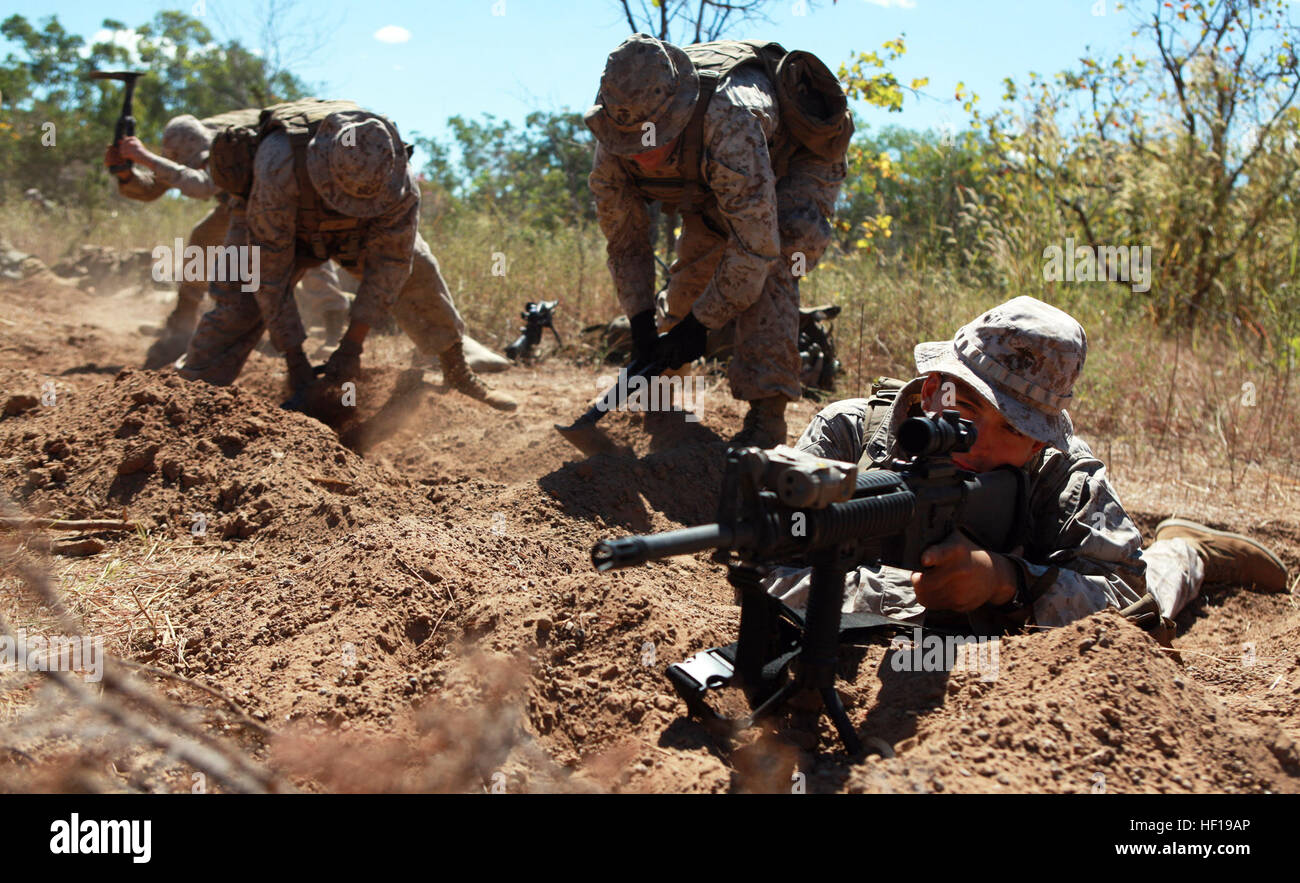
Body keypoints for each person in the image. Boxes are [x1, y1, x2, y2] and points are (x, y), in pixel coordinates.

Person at [770, 295, 1288, 631]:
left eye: (1015, 430)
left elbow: (1128, 594)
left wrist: (1003, 581)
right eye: (967, 413)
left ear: (1041, 442)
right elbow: (770, 567)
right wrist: (905, 591)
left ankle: (1189, 547)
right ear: (934, 390)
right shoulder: (848, 435)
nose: (978, 447)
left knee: (1162, 579)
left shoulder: (1063, 475)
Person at [586, 34, 848, 447]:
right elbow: (626, 244)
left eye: (649, 138)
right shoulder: (614, 134)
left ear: (675, 115)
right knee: (693, 278)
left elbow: (756, 247)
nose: (638, 151)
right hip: (715, 179)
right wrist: (640, 321)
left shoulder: (732, 119)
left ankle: (767, 418)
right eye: (628, 140)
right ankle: (661, 391)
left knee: (777, 259)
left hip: (798, 160)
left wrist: (701, 326)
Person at [177, 100, 516, 412]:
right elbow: (269, 272)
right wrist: (296, 361)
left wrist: (352, 347)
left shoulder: (399, 182)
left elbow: (390, 266)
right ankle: (190, 395)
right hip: (284, 225)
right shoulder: (277, 164)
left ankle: (457, 370)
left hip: (357, 233)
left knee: (418, 268)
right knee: (241, 297)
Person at [107, 112, 351, 367]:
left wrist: (145, 157)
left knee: (304, 251)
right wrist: (126, 173)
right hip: (238, 201)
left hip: (279, 196)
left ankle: (334, 324)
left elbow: (203, 186)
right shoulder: (182, 144)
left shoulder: (228, 137)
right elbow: (152, 187)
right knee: (203, 237)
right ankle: (183, 319)